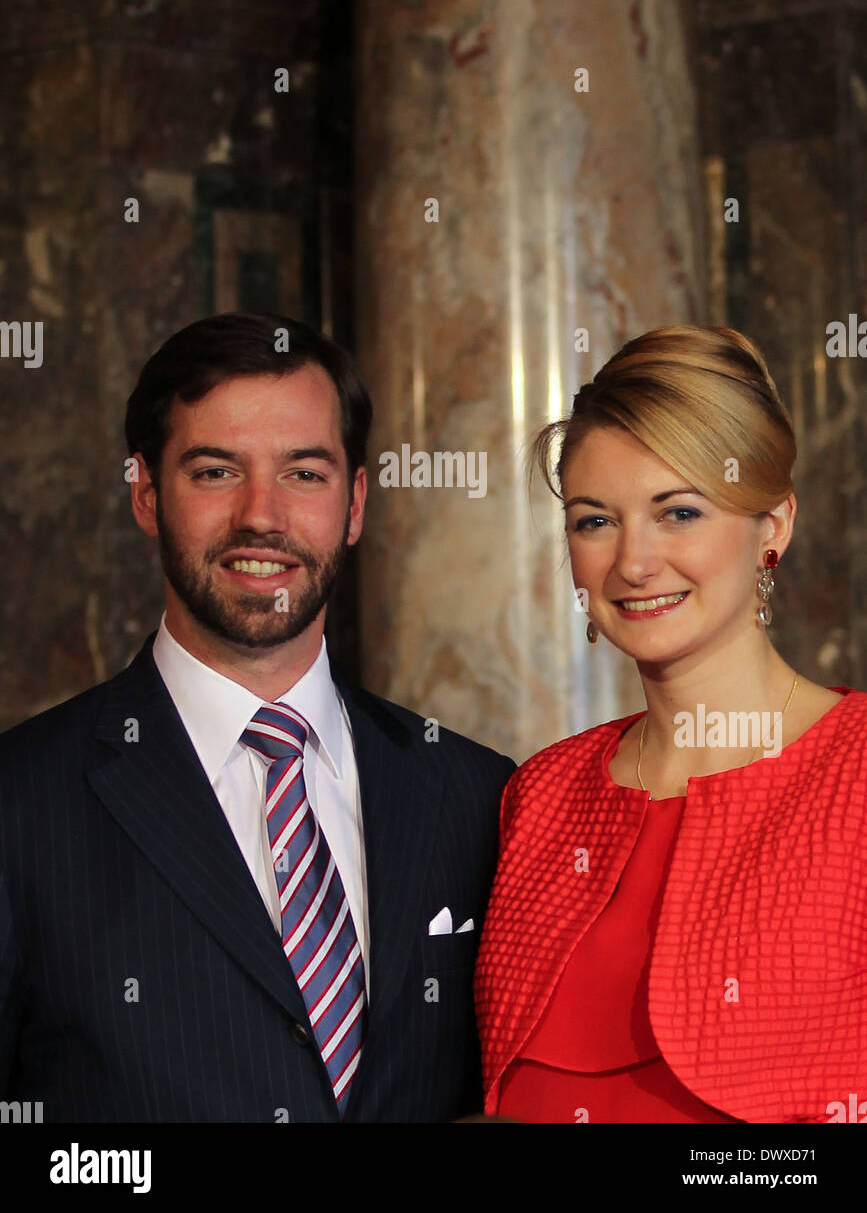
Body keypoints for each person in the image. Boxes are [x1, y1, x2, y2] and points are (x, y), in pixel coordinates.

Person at [0, 312, 513, 1123]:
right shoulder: (20, 803)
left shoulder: (478, 794)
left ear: (353, 504)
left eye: (304, 474)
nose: (260, 516)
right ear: (145, 495)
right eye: (213, 471)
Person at [475, 324, 867, 1124]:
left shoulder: (855, 770)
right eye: (594, 521)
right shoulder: (539, 795)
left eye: (677, 512)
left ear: (774, 526)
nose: (634, 561)